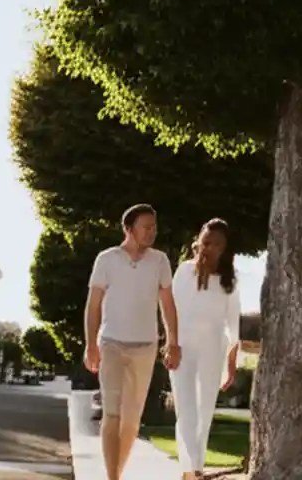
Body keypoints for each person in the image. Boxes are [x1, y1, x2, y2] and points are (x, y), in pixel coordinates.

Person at [84, 203, 181, 480]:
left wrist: (173, 341)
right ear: (129, 228)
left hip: (145, 347)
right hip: (111, 344)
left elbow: (167, 304)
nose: (152, 232)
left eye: (154, 227)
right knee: (112, 414)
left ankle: (117, 472)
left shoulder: (160, 260)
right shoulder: (107, 259)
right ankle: (112, 477)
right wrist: (91, 344)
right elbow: (93, 306)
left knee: (131, 420)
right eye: (146, 227)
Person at [170, 218, 241, 480]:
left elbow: (233, 324)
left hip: (213, 349)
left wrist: (231, 363)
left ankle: (194, 469)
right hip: (182, 348)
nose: (209, 248)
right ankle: (191, 469)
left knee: (204, 410)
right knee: (185, 410)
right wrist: (170, 344)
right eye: (207, 242)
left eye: (217, 244)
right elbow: (170, 312)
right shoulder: (183, 272)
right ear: (199, 242)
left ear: (225, 249)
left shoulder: (229, 281)